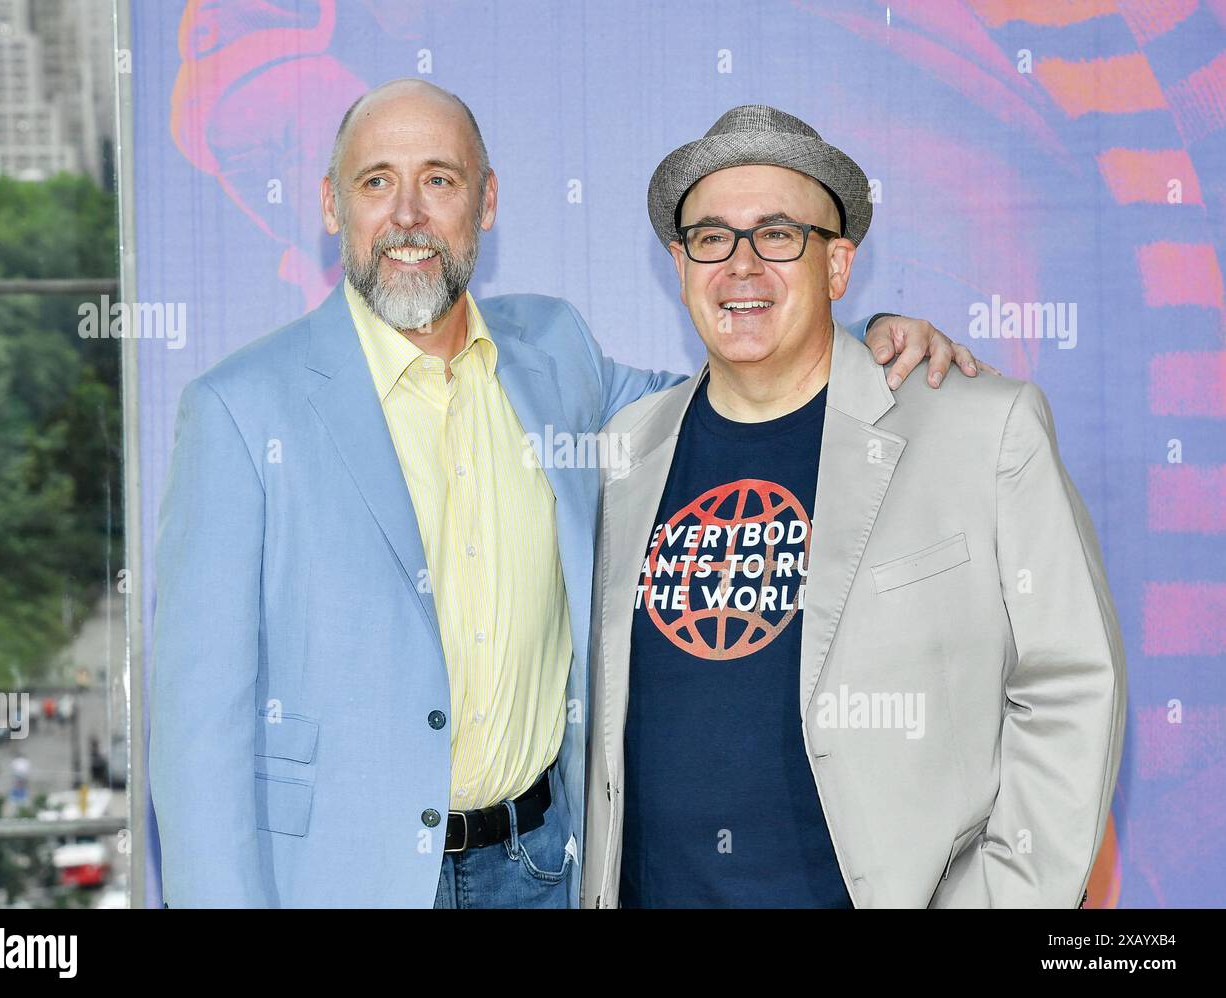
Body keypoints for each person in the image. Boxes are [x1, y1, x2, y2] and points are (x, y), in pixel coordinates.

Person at [150, 81, 984, 908]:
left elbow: (742, 387)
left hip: (544, 870)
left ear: (487, 204)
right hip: (340, 882)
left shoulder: (558, 354)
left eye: (439, 180)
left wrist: (869, 337)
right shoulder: (238, 409)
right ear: (332, 205)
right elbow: (197, 739)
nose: (407, 213)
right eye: (377, 181)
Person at [581, 105, 1126, 909]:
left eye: (777, 234)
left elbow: (1072, 684)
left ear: (838, 266)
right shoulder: (629, 446)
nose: (741, 266)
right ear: (679, 263)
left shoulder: (983, 427)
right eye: (711, 237)